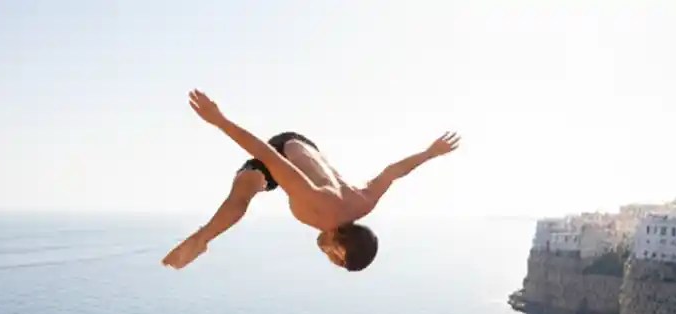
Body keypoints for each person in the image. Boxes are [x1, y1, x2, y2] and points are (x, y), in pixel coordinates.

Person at [161, 89, 460, 272]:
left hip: (308, 149)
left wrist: (430, 153)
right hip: (285, 148)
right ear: (340, 247)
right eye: (336, 259)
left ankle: (203, 238)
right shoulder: (315, 201)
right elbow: (267, 154)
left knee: (255, 185)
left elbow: (393, 172)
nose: (329, 259)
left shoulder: (364, 204)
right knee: (244, 190)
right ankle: (202, 239)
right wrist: (219, 120)